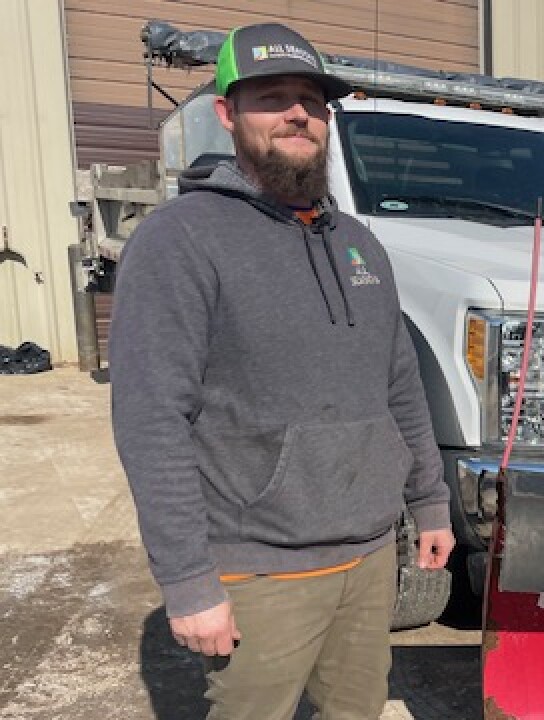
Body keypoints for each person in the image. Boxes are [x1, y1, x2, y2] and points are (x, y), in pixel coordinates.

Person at [110, 22, 454, 719]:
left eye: (312, 99)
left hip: (367, 558)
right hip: (259, 566)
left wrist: (430, 500)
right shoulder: (180, 242)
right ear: (228, 115)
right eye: (272, 97)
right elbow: (151, 421)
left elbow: (399, 387)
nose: (298, 113)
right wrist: (187, 580)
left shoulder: (359, 245)